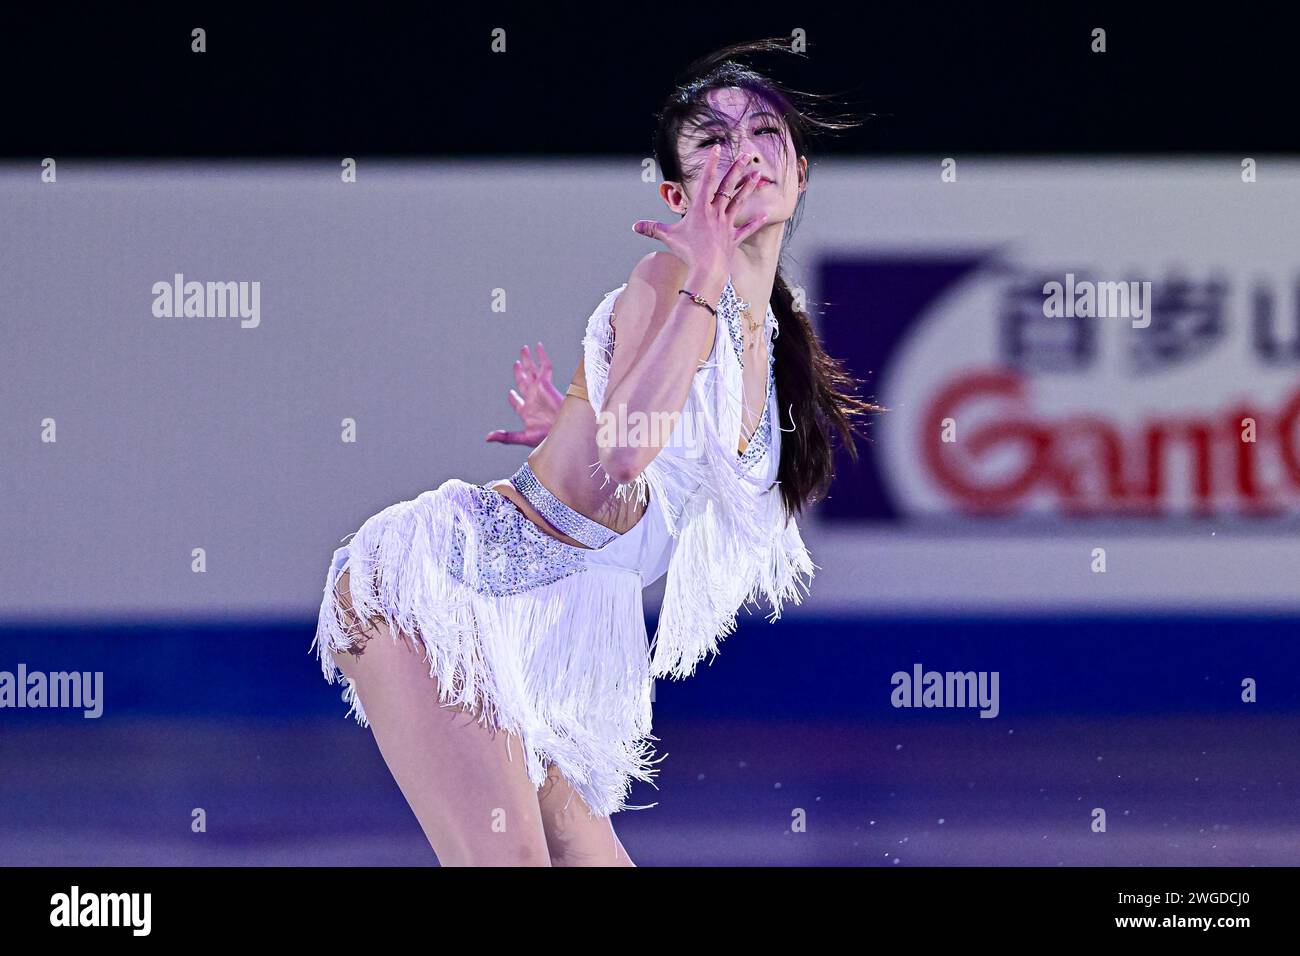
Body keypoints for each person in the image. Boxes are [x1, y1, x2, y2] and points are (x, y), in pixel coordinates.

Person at [310, 37, 881, 867]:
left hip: (547, 630)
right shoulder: (669, 281)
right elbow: (626, 457)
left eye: (762, 130)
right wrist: (705, 269)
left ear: (799, 171)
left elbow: (636, 457)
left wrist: (567, 427)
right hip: (444, 586)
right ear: (674, 193)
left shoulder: (771, 341)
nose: (742, 152)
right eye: (712, 140)